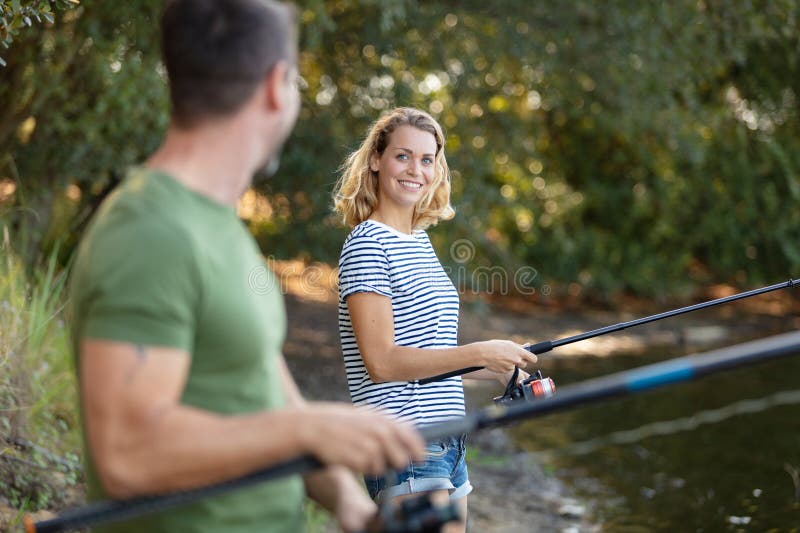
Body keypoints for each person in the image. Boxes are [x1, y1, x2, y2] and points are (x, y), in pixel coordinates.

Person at [67, 2, 424, 532]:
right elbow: (127, 453)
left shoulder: (217, 226)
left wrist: (350, 503)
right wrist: (308, 430)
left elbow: (259, 385)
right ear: (278, 86)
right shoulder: (150, 232)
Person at [332, 107, 539, 532]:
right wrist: (479, 349)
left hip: (447, 439)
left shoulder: (418, 240)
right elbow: (382, 363)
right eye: (403, 156)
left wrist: (495, 369)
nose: (416, 170)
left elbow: (430, 352)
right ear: (377, 159)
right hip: (405, 442)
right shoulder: (368, 243)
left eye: (427, 160)